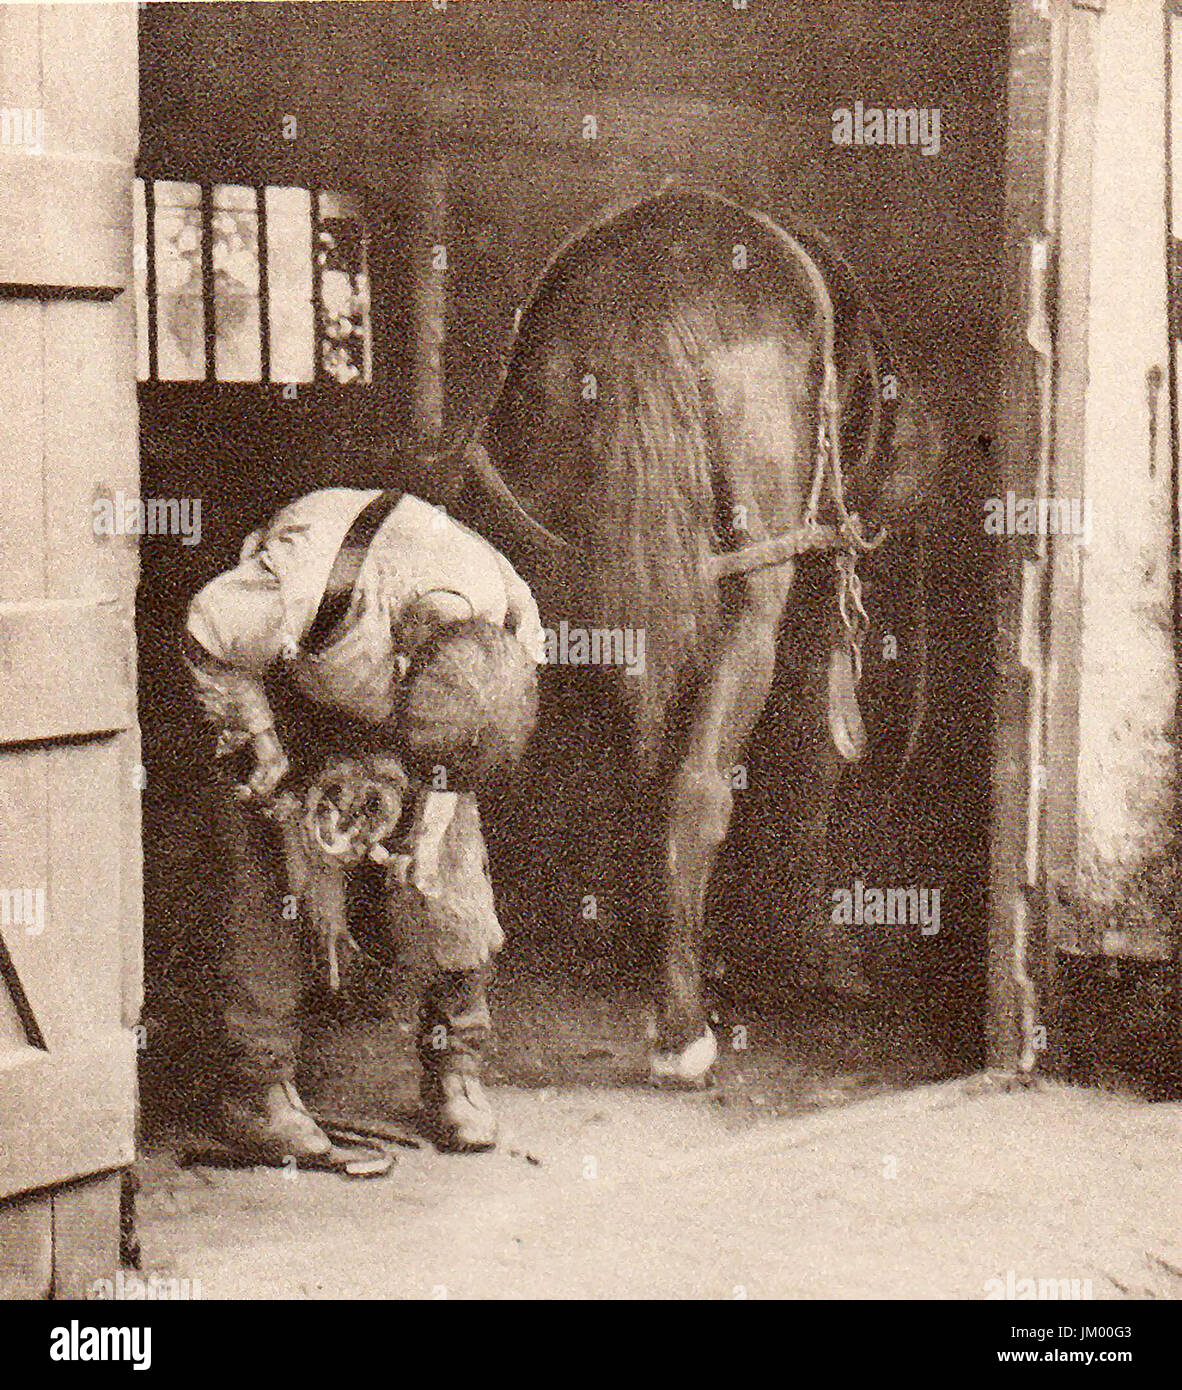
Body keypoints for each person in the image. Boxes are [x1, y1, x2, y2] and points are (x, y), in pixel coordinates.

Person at [183, 487, 544, 1168]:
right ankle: (257, 1089)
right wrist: (263, 748)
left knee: (453, 871)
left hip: (422, 726)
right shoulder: (307, 584)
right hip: (285, 683)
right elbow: (208, 634)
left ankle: (456, 1066)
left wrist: (427, 835)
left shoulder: (511, 617)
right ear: (401, 664)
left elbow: (450, 765)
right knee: (273, 875)